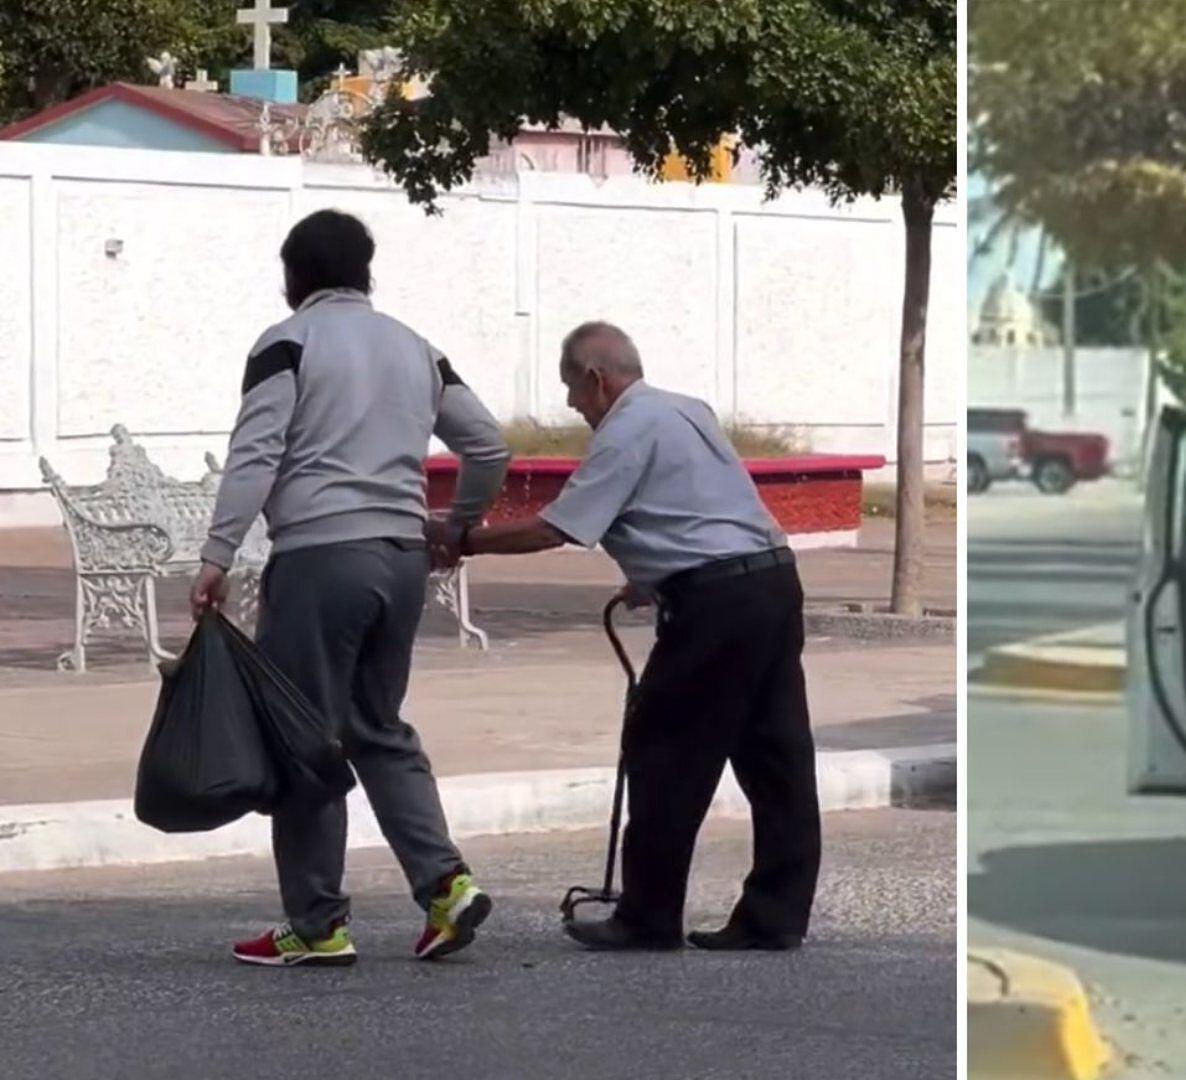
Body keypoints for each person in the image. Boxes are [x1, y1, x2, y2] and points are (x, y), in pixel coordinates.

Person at [191, 209, 510, 966]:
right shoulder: (416, 347)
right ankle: (445, 885)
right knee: (376, 725)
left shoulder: (287, 344)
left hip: (319, 558)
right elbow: (487, 443)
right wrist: (454, 526)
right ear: (366, 272)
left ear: (291, 276)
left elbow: (257, 453)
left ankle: (317, 923)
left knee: (304, 739)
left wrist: (216, 554)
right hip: (400, 559)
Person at [439, 321, 820, 952]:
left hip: (716, 602)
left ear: (596, 377)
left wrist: (461, 542)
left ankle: (647, 916)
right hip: (771, 582)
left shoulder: (626, 428)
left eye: (571, 388)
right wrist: (652, 574)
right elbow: (704, 501)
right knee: (775, 755)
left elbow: (557, 527)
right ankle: (776, 914)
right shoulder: (686, 409)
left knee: (664, 751)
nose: (570, 405)